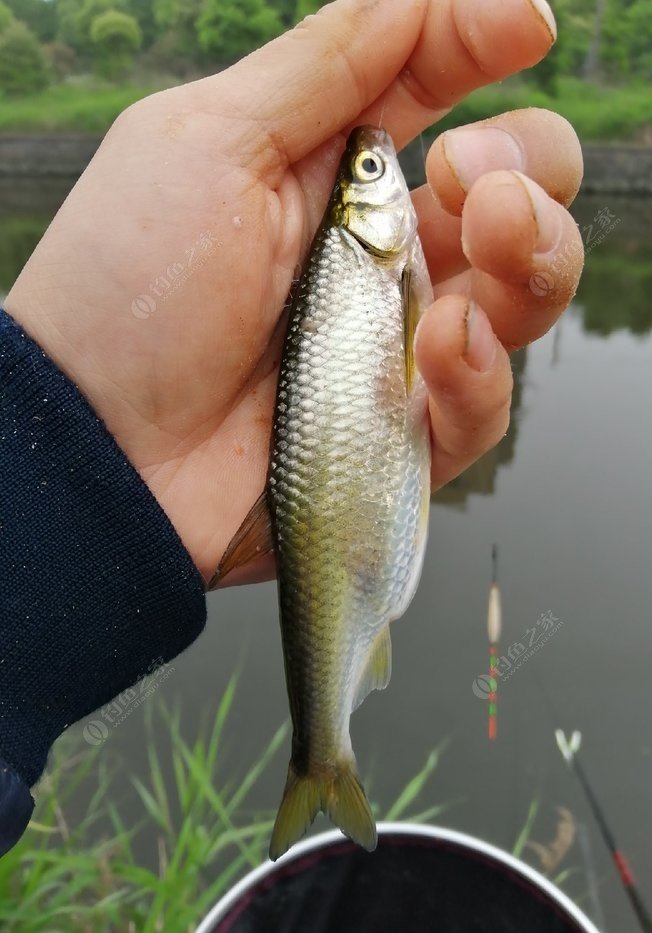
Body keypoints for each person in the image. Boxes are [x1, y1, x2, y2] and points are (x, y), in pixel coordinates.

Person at [0, 0, 584, 856]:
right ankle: (324, 754)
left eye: (372, 171)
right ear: (363, 216)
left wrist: (62, 489)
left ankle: (322, 754)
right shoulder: (369, 260)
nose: (382, 166)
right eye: (371, 176)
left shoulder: (374, 262)